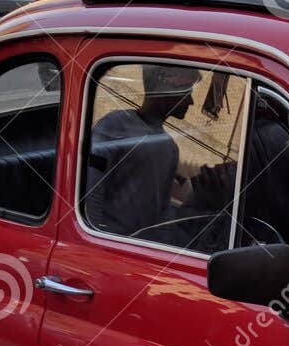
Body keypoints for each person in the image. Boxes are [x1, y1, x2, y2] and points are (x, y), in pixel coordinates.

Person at [84, 63, 208, 246]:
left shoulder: (170, 148)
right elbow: (92, 187)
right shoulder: (115, 125)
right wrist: (94, 239)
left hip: (138, 249)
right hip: (107, 243)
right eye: (187, 91)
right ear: (167, 90)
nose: (191, 101)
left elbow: (162, 212)